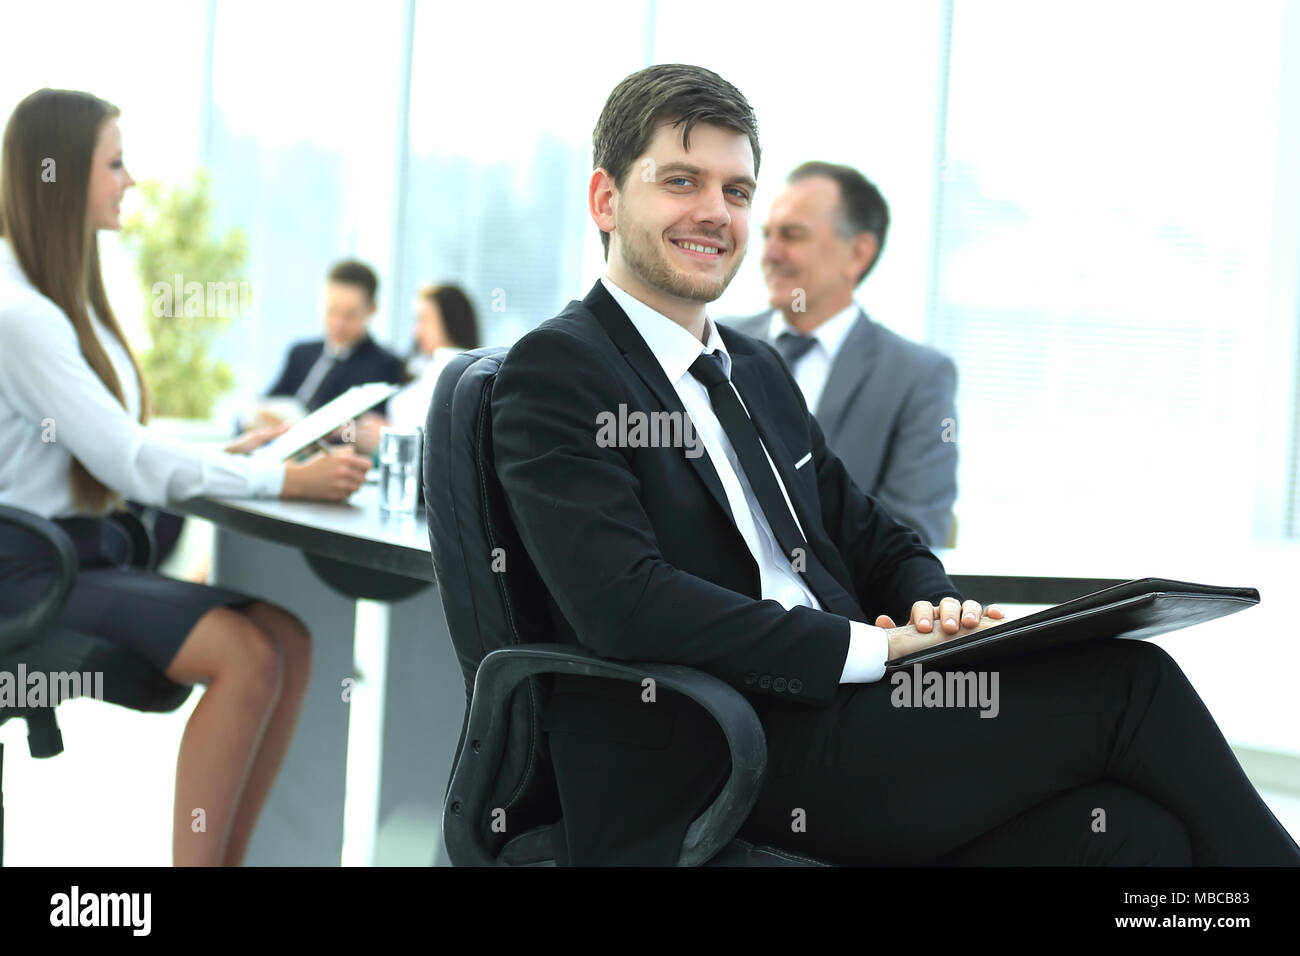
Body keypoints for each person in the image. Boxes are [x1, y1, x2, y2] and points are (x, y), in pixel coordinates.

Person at [488, 64, 1300, 866]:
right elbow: (625, 604)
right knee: (1131, 686)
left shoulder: (754, 368)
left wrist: (941, 623)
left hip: (844, 719)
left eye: (737, 192)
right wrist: (870, 650)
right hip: (717, 748)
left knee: (1129, 835)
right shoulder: (560, 369)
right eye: (680, 181)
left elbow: (875, 536)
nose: (716, 213)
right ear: (605, 199)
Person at [0, 88, 371, 866]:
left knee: (290, 642)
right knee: (247, 654)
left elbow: (122, 440)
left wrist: (239, 458)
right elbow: (126, 462)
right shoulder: (20, 311)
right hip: (26, 569)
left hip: (75, 553)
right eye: (115, 163)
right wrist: (285, 483)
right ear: (62, 176)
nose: (130, 181)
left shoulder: (68, 301)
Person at [724, 163, 958, 547]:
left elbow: (914, 535)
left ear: (858, 254)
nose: (769, 253)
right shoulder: (715, 341)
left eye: (793, 235)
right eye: (767, 235)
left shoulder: (917, 377)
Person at [262, 259, 406, 420]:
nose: (338, 324)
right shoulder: (300, 353)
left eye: (350, 315)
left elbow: (360, 429)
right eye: (332, 311)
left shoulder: (384, 366)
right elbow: (268, 401)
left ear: (372, 309)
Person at [384, 282, 479, 433]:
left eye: (424, 319)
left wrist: (385, 433)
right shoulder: (428, 364)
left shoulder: (453, 371)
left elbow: (432, 431)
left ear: (451, 321)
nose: (417, 330)